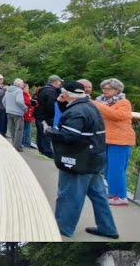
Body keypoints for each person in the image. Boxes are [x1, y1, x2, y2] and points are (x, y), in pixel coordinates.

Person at [47, 80, 118, 239]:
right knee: (99, 196)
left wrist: (50, 131)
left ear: (66, 94)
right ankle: (108, 228)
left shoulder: (76, 111)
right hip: (95, 158)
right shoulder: (90, 106)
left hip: (79, 161)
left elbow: (69, 135)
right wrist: (62, 104)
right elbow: (78, 125)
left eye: (62, 92)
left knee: (69, 195)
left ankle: (63, 228)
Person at [95, 78, 134, 207]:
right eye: (103, 88)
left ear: (117, 90)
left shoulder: (124, 102)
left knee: (116, 169)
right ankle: (113, 192)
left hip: (121, 140)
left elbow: (118, 116)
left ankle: (121, 196)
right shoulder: (102, 102)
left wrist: (98, 105)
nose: (104, 90)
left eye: (108, 88)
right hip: (106, 139)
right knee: (107, 169)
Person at [32, 76, 62, 158]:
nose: (60, 84)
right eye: (59, 82)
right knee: (46, 134)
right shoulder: (51, 91)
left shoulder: (42, 89)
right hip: (45, 117)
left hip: (38, 115)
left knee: (40, 134)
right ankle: (47, 153)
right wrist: (52, 117)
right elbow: (51, 106)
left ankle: (41, 150)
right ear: (55, 82)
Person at [4, 79, 27, 151]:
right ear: (19, 84)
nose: (23, 85)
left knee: (12, 129)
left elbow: (3, 101)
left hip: (9, 112)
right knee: (19, 130)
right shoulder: (19, 90)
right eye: (22, 84)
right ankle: (17, 147)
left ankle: (14, 144)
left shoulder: (8, 90)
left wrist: (7, 108)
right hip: (17, 113)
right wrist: (24, 108)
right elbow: (19, 101)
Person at [21, 83, 36, 149]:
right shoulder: (23, 95)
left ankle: (24, 142)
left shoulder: (26, 95)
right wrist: (33, 103)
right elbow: (27, 102)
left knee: (25, 129)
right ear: (23, 88)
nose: (28, 89)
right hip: (27, 114)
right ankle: (26, 143)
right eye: (27, 88)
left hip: (28, 114)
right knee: (27, 130)